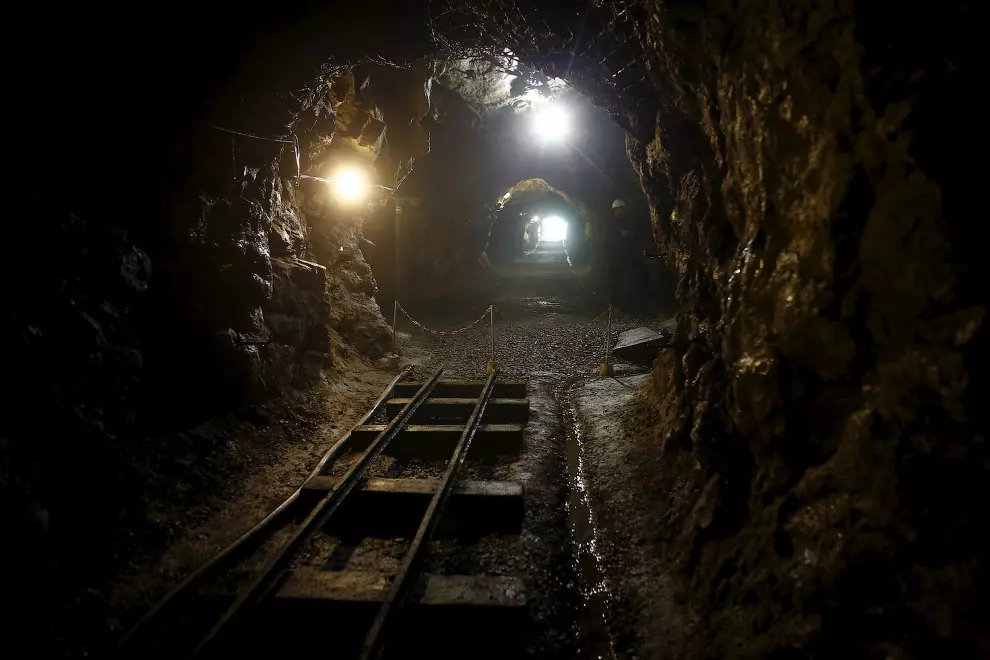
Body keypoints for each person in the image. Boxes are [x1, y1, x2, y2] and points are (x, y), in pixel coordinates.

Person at [607, 198, 640, 308]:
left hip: (628, 255)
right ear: (614, 211)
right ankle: (615, 303)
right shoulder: (610, 223)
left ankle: (628, 303)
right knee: (615, 280)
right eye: (618, 210)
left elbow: (637, 234)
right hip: (614, 256)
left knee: (629, 279)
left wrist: (631, 235)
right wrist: (620, 236)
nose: (620, 212)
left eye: (622, 209)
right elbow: (607, 238)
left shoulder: (630, 221)